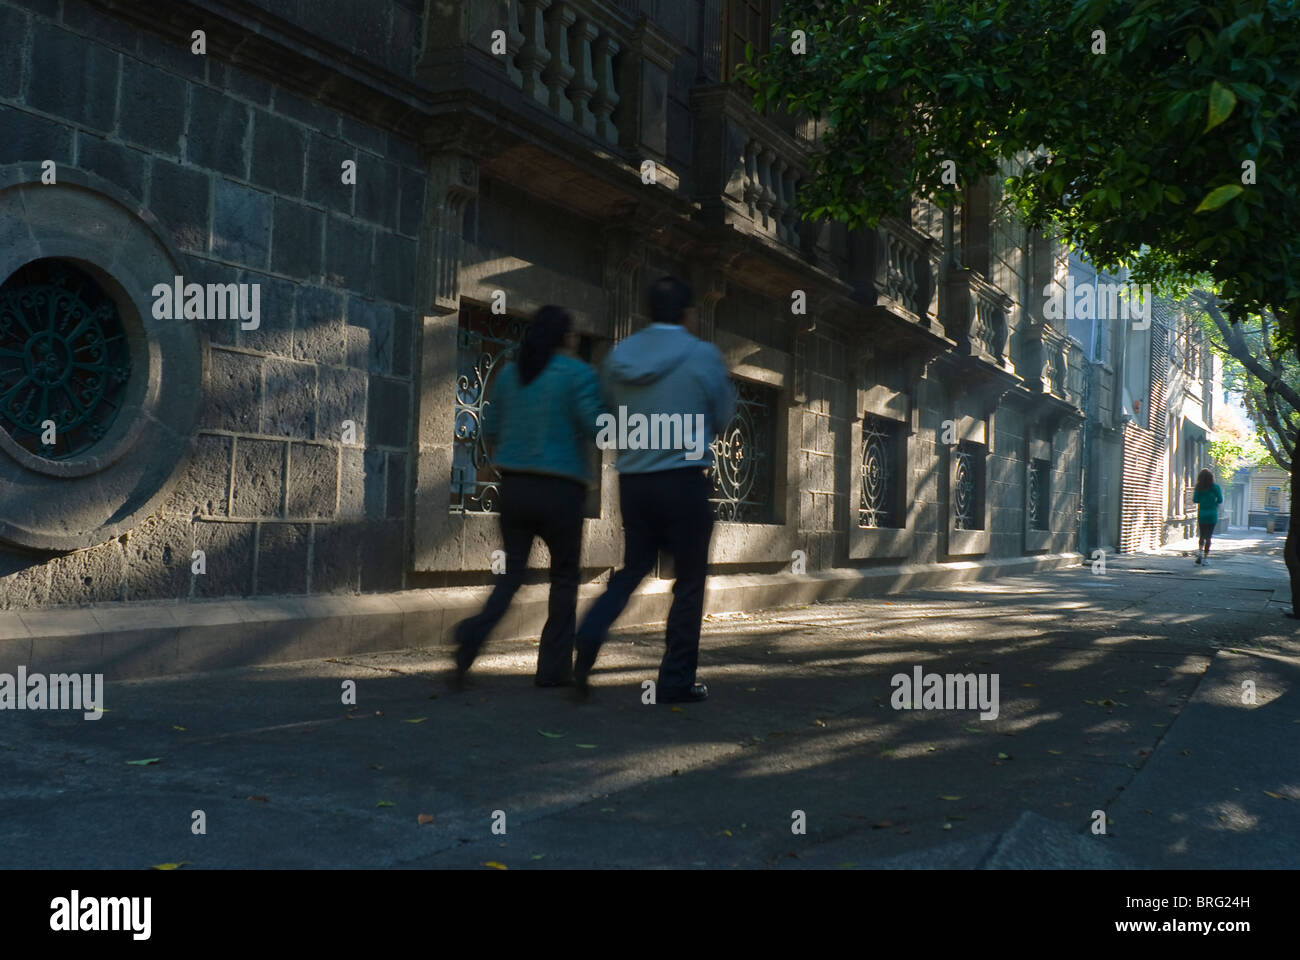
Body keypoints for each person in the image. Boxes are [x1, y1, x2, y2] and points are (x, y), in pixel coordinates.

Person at [573, 276, 737, 703]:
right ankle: (675, 680)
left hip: (635, 483)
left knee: (633, 569)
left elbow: (606, 411)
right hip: (684, 483)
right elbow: (721, 415)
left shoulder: (619, 354)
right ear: (687, 314)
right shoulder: (703, 355)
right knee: (689, 583)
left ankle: (590, 633)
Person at [450, 306, 602, 689]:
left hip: (515, 488)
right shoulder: (577, 373)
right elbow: (595, 425)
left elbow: (491, 427)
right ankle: (553, 670)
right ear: (567, 337)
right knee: (564, 579)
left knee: (511, 576)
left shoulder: (510, 373)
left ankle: (473, 634)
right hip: (561, 491)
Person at [1192, 468, 1224, 565]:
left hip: (1202, 514)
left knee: (1202, 535)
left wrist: (1203, 500)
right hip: (1212, 514)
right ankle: (1205, 559)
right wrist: (1213, 502)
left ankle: (1200, 553)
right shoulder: (1215, 487)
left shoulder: (1198, 487)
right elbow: (1220, 500)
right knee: (1209, 537)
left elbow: (1195, 500)